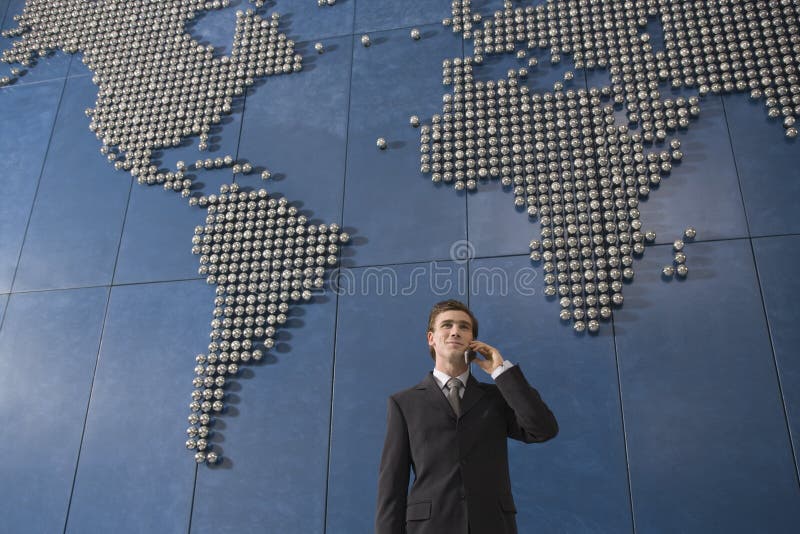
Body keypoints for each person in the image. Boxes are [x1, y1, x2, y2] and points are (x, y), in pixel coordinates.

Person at [375, 299, 558, 534]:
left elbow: (543, 429)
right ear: (431, 338)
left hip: (492, 525)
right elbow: (392, 487)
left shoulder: (497, 396)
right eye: (447, 325)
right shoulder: (404, 403)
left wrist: (501, 372)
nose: (455, 331)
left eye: (464, 327)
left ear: (472, 341)